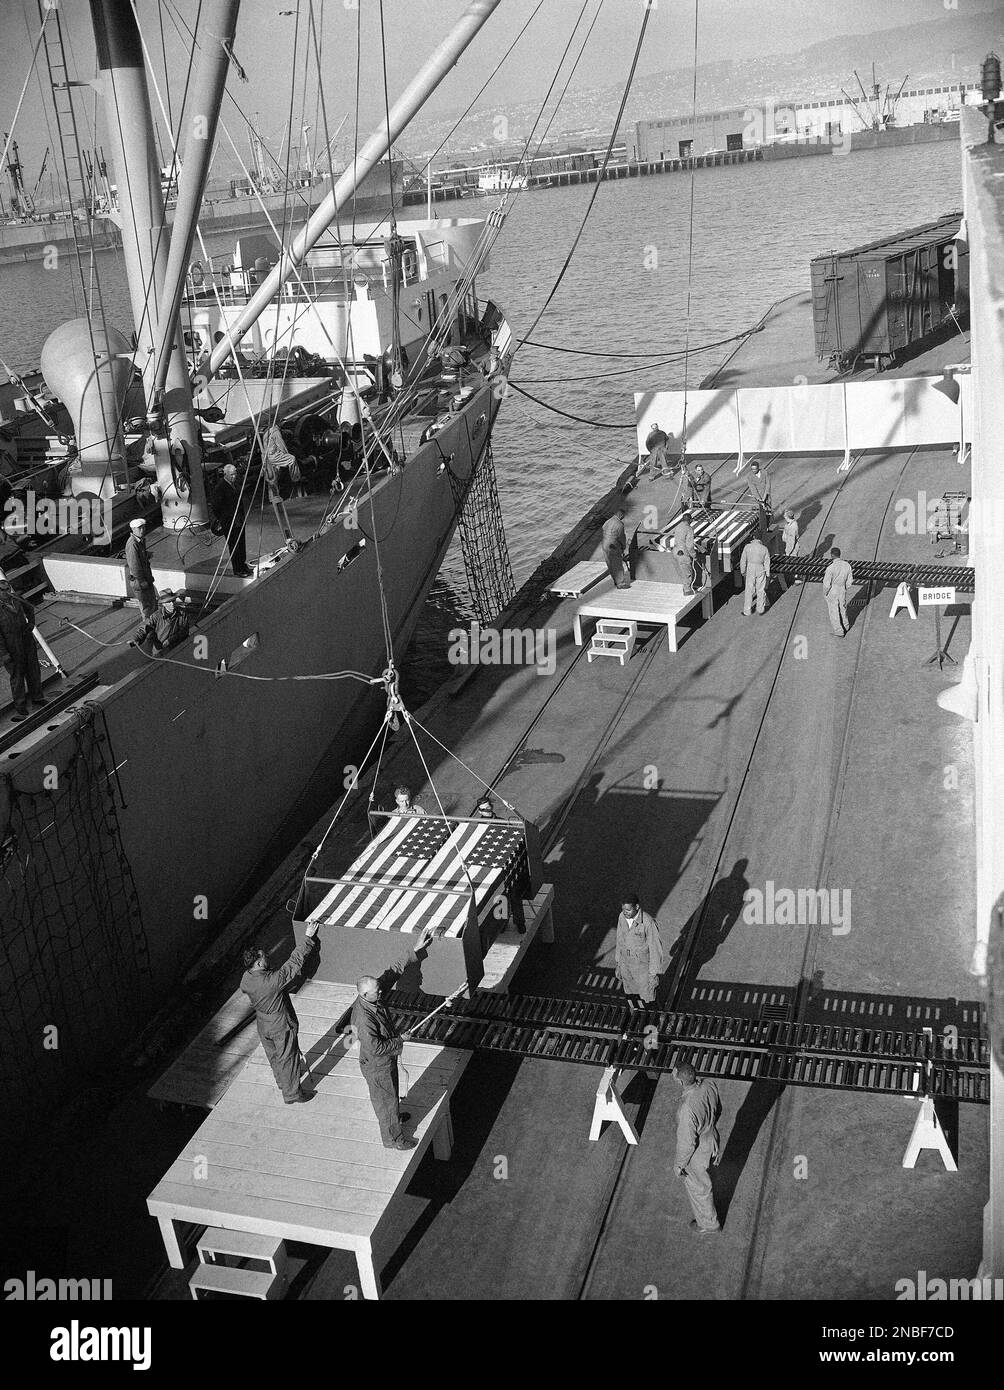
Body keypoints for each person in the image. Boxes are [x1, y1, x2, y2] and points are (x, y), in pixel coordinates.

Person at [350, 923, 438, 1149]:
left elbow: (393, 970)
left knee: (392, 1095)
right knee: (386, 1102)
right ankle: (394, 1140)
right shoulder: (363, 1018)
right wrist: (400, 1040)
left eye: (380, 989)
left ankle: (395, 1119)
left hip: (384, 1061)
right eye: (377, 991)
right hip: (377, 1065)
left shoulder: (372, 995)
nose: (382, 992)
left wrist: (416, 949)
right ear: (364, 994)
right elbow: (376, 1047)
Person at [240, 923, 320, 1104]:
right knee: (288, 1058)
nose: (268, 958)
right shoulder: (272, 981)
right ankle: (292, 1094)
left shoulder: (246, 978)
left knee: (274, 1056)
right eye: (264, 957)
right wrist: (308, 938)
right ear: (259, 963)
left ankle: (283, 1082)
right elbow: (293, 963)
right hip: (279, 1024)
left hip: (263, 1023)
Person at [674, 1060, 722, 1233]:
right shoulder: (709, 1084)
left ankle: (709, 1224)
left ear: (680, 1081)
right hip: (712, 1136)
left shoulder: (687, 1109)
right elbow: (718, 1109)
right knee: (706, 1175)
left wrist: (679, 1165)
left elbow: (687, 1143)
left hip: (699, 1149)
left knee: (699, 1188)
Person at [0, 577, 44, 722]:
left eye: (8, 589)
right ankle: (20, 705)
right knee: (17, 676)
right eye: (3, 590)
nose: (7, 592)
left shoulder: (17, 599)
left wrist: (31, 623)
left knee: (33, 670)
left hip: (25, 639)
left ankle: (37, 697)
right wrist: (4, 654)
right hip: (11, 645)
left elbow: (30, 608)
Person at [615, 895, 664, 1007]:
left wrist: (653, 975)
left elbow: (655, 950)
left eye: (628, 910)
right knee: (630, 995)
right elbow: (619, 940)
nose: (625, 912)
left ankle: (652, 1016)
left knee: (647, 998)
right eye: (623, 909)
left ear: (637, 907)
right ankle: (635, 1013)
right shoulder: (622, 917)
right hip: (626, 965)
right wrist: (618, 963)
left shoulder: (648, 923)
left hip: (642, 969)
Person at [210, 463, 253, 578]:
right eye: (232, 475)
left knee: (241, 544)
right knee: (234, 545)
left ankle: (243, 565)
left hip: (239, 519)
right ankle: (237, 569)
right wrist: (224, 518)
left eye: (235, 474)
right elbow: (215, 506)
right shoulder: (220, 488)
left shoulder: (234, 484)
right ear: (226, 474)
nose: (234, 476)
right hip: (229, 522)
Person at [124, 517, 158, 635]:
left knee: (152, 604)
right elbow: (135, 566)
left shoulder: (139, 541)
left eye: (143, 527)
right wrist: (142, 581)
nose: (142, 530)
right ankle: (148, 632)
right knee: (146, 607)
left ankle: (154, 627)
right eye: (139, 528)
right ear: (133, 529)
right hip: (140, 581)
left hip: (146, 579)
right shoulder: (132, 544)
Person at [136, 589, 190, 655]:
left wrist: (170, 640)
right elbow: (145, 627)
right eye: (169, 602)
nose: (172, 604)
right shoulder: (156, 616)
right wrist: (136, 638)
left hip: (177, 647)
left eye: (173, 601)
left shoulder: (182, 613)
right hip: (160, 648)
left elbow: (185, 631)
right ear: (164, 604)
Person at [822, 546, 854, 637]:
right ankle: (846, 626)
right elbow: (850, 581)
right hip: (842, 589)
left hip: (833, 590)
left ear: (832, 555)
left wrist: (825, 593)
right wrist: (845, 588)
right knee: (843, 608)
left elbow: (827, 584)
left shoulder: (830, 568)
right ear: (839, 554)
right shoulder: (847, 565)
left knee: (834, 610)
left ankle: (839, 631)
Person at [740, 534, 770, 615]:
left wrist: (743, 571)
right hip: (761, 568)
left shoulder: (747, 547)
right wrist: (767, 574)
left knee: (749, 590)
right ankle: (760, 609)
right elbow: (767, 562)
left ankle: (747, 611)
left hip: (750, 568)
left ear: (753, 538)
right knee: (761, 589)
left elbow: (743, 560)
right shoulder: (764, 548)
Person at [670, 508, 698, 595]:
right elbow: (689, 546)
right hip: (683, 553)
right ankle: (687, 590)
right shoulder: (689, 529)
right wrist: (694, 555)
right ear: (690, 520)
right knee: (687, 572)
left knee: (682, 571)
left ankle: (686, 587)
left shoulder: (678, 526)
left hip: (675, 551)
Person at [602, 508, 631, 590]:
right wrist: (623, 547)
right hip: (613, 546)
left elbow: (603, 528)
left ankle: (615, 581)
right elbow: (621, 537)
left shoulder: (608, 521)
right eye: (623, 516)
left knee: (610, 563)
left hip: (604, 544)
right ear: (620, 515)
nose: (623, 517)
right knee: (617, 564)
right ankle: (620, 583)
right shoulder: (619, 524)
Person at [746, 461, 772, 541]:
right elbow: (753, 488)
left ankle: (767, 527)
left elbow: (768, 484)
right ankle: (759, 530)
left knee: (768, 512)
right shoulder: (749, 476)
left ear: (758, 468)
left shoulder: (765, 473)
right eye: (752, 469)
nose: (753, 471)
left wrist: (764, 497)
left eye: (755, 469)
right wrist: (760, 500)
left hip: (766, 496)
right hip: (757, 498)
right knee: (759, 513)